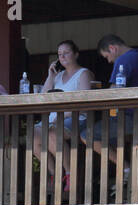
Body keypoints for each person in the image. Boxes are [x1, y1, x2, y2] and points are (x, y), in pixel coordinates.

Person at [89, 34, 138, 169]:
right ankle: (131, 175)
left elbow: (115, 91)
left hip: (136, 118)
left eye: (107, 56)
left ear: (112, 48)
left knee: (88, 135)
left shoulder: (123, 60)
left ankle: (126, 169)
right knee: (111, 135)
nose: (109, 61)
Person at [32, 39, 93, 176]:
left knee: (53, 133)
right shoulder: (57, 76)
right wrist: (50, 76)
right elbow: (43, 97)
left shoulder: (84, 73)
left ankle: (69, 173)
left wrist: (64, 115)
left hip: (76, 117)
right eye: (60, 54)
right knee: (33, 136)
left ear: (76, 54)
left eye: (66, 53)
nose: (62, 57)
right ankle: (55, 174)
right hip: (55, 118)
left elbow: (85, 102)